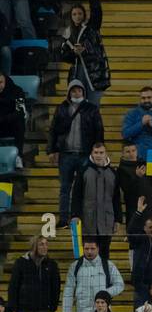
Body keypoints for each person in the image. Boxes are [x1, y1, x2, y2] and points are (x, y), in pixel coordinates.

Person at [48, 81, 104, 226]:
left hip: (85, 154)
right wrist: (52, 150)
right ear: (69, 92)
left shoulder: (91, 109)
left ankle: (81, 217)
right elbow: (53, 130)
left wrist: (98, 150)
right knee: (64, 188)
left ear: (84, 92)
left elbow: (99, 130)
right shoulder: (61, 108)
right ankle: (64, 219)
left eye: (79, 90)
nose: (76, 93)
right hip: (65, 154)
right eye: (73, 91)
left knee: (84, 188)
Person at [59, 0, 110, 106]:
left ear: (84, 15)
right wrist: (73, 53)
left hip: (94, 72)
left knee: (93, 106)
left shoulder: (91, 28)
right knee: (76, 107)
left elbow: (97, 11)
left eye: (80, 14)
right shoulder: (67, 34)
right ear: (71, 17)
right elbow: (63, 56)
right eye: (74, 14)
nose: (77, 16)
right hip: (77, 72)